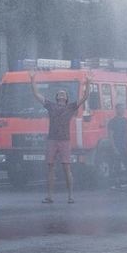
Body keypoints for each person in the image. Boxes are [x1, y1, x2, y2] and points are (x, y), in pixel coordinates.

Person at [29, 72, 86, 205]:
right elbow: (37, 95)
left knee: (66, 168)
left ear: (66, 98)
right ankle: (49, 196)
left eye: (63, 93)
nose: (61, 94)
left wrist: (88, 83)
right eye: (59, 93)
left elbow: (85, 97)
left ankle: (70, 196)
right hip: (52, 140)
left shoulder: (71, 107)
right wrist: (32, 79)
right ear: (57, 97)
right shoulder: (50, 106)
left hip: (64, 140)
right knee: (50, 167)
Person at [109, 105, 127, 179]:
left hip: (124, 146)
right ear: (116, 110)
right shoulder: (112, 121)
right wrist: (114, 148)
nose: (123, 111)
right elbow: (110, 136)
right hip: (117, 146)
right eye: (121, 109)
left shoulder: (124, 120)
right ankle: (117, 183)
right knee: (117, 166)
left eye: (123, 109)